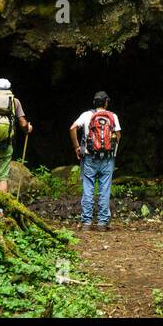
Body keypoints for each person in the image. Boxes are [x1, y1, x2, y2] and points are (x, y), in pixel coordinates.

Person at [70, 91, 120, 231]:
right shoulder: (112, 116)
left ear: (94, 102)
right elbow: (118, 135)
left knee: (88, 188)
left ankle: (86, 222)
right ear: (106, 102)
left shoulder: (86, 115)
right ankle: (102, 223)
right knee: (104, 190)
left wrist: (77, 148)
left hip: (89, 157)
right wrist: (111, 150)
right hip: (107, 159)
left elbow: (72, 128)